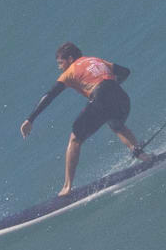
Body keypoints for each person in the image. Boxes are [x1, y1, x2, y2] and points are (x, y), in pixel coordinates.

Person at [20, 41, 146, 194]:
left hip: (101, 96)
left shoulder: (70, 71)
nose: (59, 67)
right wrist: (112, 88)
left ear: (70, 59)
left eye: (60, 63)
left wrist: (30, 119)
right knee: (116, 125)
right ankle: (142, 154)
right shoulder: (95, 60)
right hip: (121, 97)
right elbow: (125, 72)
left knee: (75, 139)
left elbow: (49, 95)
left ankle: (67, 187)